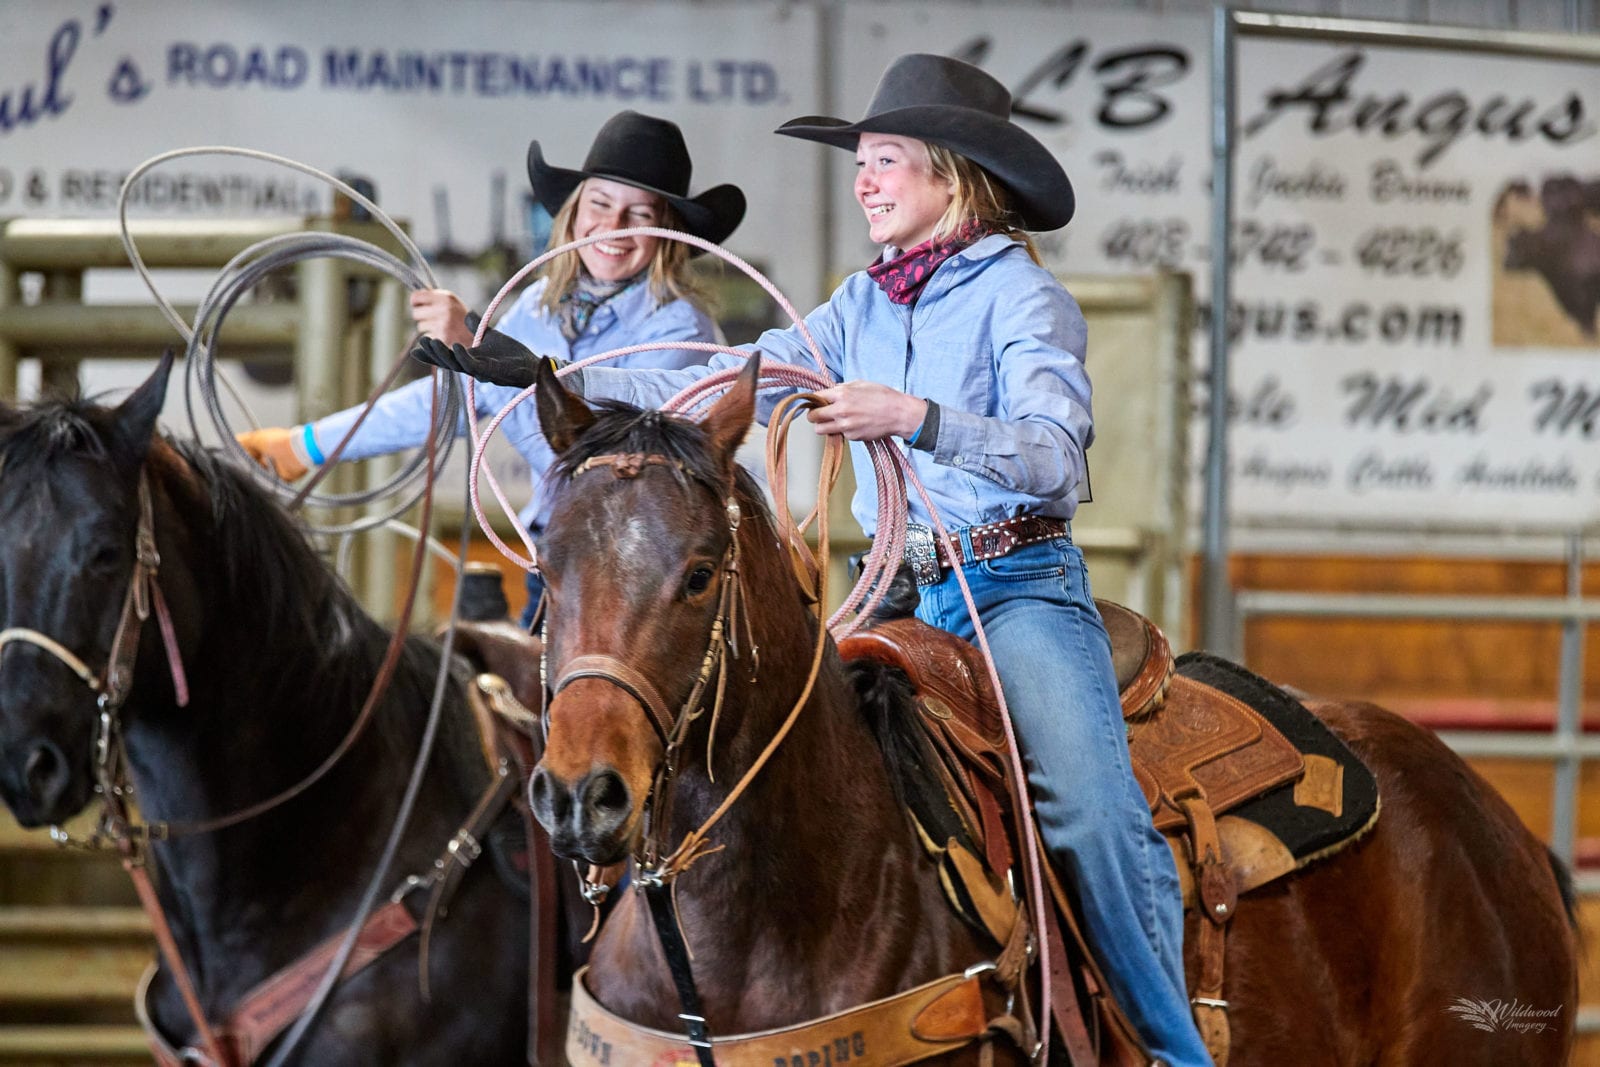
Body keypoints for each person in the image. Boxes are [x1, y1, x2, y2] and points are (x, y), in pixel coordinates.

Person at [416, 54, 1211, 1066]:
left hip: (1015, 586)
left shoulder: (1023, 300)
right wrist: (510, 367)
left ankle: (1177, 1050)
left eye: (884, 160)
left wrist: (914, 417)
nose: (864, 180)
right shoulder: (861, 301)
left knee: (1090, 811)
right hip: (904, 587)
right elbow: (710, 379)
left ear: (952, 175)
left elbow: (1056, 456)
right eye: (863, 163)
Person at [237, 110, 746, 626]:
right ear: (573, 211)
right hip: (562, 559)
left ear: (668, 231)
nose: (612, 227)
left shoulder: (681, 330)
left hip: (641, 583)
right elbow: (455, 401)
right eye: (600, 203)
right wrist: (308, 444)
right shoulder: (541, 305)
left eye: (639, 214)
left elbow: (592, 451)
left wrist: (479, 348)